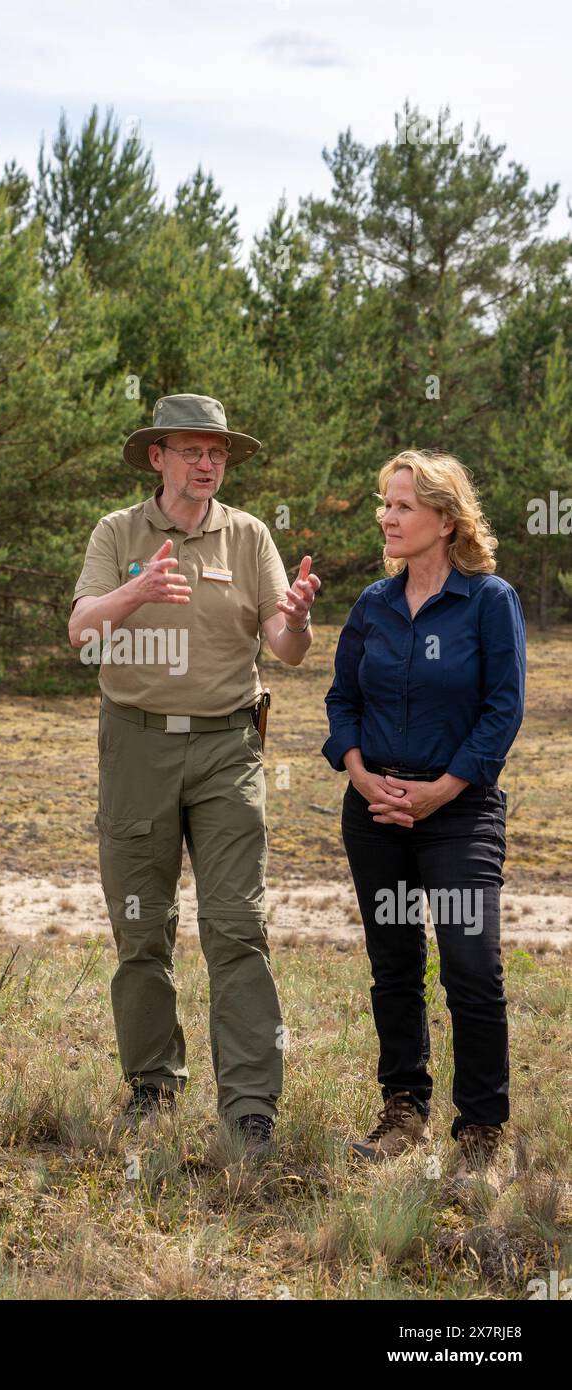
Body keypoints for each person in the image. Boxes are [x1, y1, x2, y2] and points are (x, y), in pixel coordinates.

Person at [70, 393, 320, 1148]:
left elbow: (284, 646)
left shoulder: (247, 536)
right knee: (141, 928)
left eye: (216, 453)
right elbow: (81, 632)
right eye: (190, 450)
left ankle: (249, 1104)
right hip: (135, 745)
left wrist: (298, 617)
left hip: (225, 748)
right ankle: (151, 1086)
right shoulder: (118, 532)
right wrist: (136, 589)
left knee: (237, 926)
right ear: (157, 457)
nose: (207, 464)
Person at [323, 450, 526, 1191]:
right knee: (393, 965)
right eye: (385, 503)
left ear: (444, 519)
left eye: (402, 505)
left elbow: (501, 709)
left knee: (471, 967)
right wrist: (357, 771)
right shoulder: (372, 604)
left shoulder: (488, 601)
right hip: (372, 810)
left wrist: (442, 789)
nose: (386, 516)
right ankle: (401, 1110)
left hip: (458, 812)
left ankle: (479, 1126)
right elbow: (340, 700)